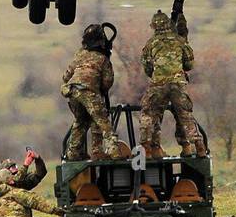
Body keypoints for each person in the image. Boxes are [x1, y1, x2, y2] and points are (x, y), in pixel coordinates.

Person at [139, 11, 206, 159]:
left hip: (158, 84)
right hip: (178, 84)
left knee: (150, 113)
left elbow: (147, 68)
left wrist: (159, 74)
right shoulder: (180, 41)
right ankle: (198, 146)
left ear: (154, 26)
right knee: (185, 116)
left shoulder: (151, 43)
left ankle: (149, 149)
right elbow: (189, 64)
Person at [62, 24, 125, 160]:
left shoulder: (79, 55)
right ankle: (113, 151)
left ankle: (73, 153)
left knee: (81, 121)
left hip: (72, 91)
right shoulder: (102, 59)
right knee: (102, 120)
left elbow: (66, 76)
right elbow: (107, 82)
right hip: (88, 92)